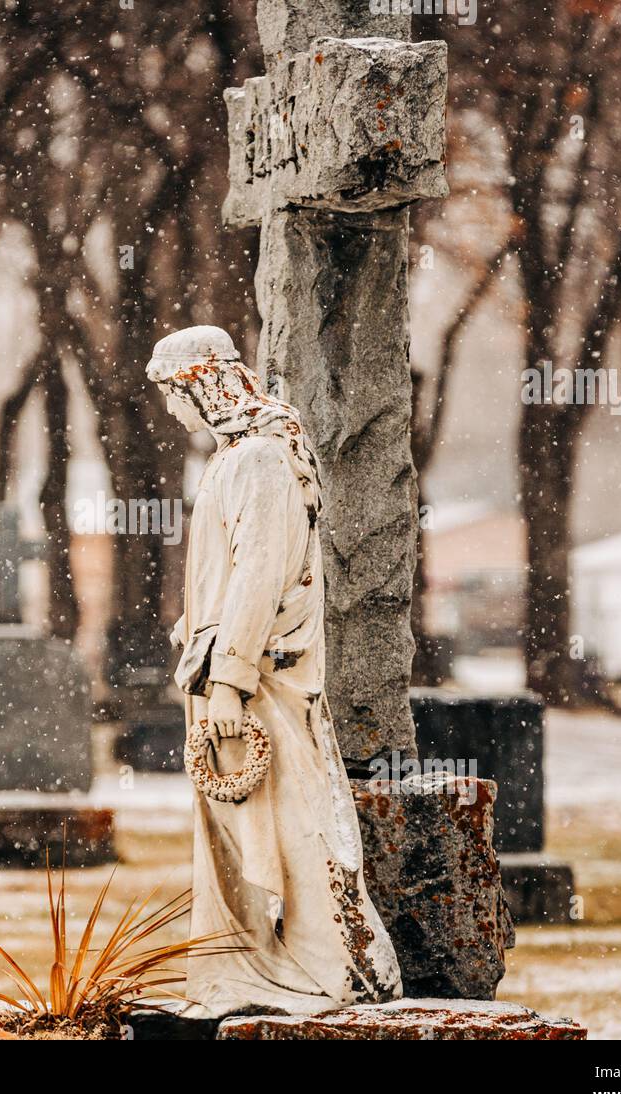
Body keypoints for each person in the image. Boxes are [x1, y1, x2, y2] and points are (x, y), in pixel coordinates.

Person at [150, 324, 403, 1016]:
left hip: (256, 684)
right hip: (222, 672)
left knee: (279, 828)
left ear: (200, 384)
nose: (173, 411)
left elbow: (262, 574)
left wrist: (230, 678)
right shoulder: (236, 458)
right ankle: (246, 967)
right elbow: (228, 574)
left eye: (173, 394)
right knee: (240, 834)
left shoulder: (261, 460)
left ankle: (306, 969)